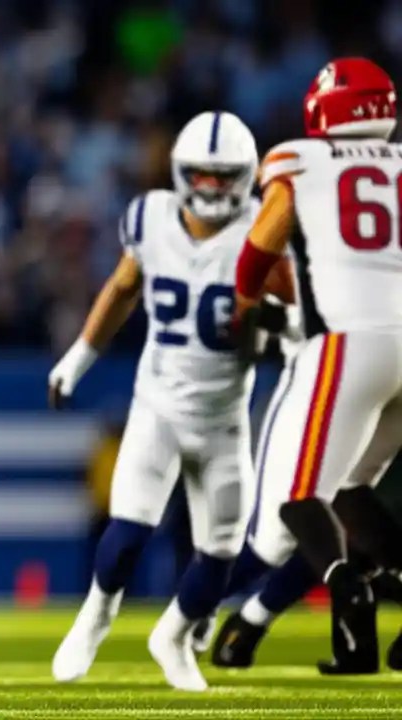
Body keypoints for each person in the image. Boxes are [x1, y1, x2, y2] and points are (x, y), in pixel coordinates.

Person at [47, 111, 294, 692]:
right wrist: (78, 358)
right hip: (157, 407)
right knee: (127, 533)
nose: (211, 187)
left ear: (247, 177)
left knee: (221, 555)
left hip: (226, 418)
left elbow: (297, 319)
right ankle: (96, 616)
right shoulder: (150, 218)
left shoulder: (263, 228)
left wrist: (269, 320)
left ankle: (175, 636)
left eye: (224, 176)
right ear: (182, 173)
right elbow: (123, 288)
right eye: (201, 175)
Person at [190, 56, 402, 680]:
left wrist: (246, 305)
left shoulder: (298, 161)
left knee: (296, 497)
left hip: (348, 344)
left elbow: (260, 247)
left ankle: (347, 592)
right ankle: (346, 628)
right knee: (349, 490)